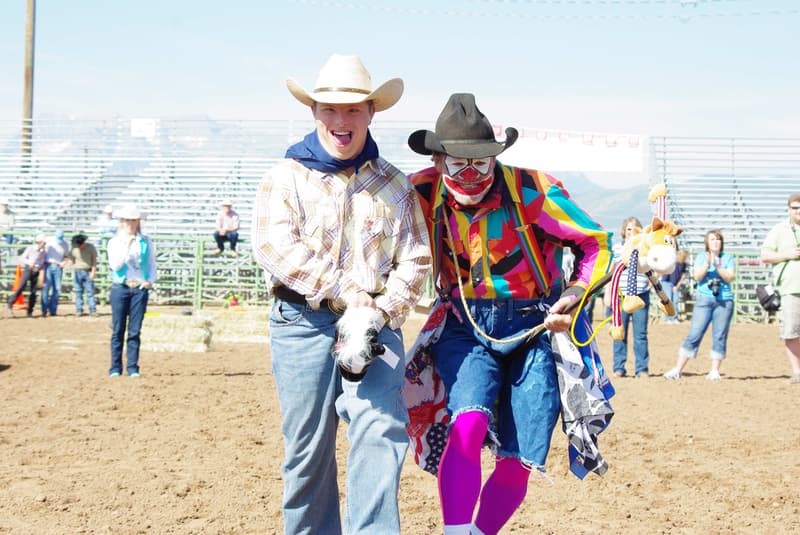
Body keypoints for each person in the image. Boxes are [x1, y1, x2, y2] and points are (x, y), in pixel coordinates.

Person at [407, 93, 612, 535]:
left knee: (519, 456)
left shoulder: (534, 190)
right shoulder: (420, 191)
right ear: (439, 160)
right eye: (457, 163)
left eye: (480, 162)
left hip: (536, 325)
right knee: (469, 422)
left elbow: (596, 242)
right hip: (464, 324)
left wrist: (576, 291)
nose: (470, 174)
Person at [250, 54, 431, 535]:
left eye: (352, 110)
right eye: (330, 108)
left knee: (380, 430)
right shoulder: (284, 176)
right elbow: (273, 245)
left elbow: (414, 258)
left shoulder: (396, 185)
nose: (341, 120)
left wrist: (382, 310)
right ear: (314, 112)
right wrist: (348, 293)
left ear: (372, 113)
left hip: (376, 325)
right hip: (300, 322)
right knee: (307, 449)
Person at [664, 229, 736, 381]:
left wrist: (718, 267)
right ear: (707, 243)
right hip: (704, 299)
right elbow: (697, 276)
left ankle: (715, 370)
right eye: (712, 240)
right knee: (694, 333)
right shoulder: (701, 257)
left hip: (724, 300)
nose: (715, 242)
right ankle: (678, 369)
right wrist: (708, 264)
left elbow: (730, 277)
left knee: (720, 335)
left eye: (718, 239)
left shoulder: (727, 258)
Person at [107, 204, 157, 377]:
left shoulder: (146, 241)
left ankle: (133, 367)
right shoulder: (114, 242)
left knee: (135, 331)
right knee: (118, 329)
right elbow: (115, 265)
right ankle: (115, 367)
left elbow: (151, 264)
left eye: (133, 220)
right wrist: (126, 247)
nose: (130, 223)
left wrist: (150, 280)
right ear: (122, 221)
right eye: (127, 220)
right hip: (120, 287)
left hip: (139, 288)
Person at [603, 217, 652, 378]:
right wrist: (608, 294)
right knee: (619, 332)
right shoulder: (618, 249)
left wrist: (652, 282)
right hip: (621, 295)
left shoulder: (645, 249)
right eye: (629, 229)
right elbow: (611, 272)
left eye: (635, 228)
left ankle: (642, 368)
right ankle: (619, 367)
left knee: (641, 334)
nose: (631, 232)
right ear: (624, 231)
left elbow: (654, 266)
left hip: (641, 295)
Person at [760, 193, 800, 384]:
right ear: (788, 209)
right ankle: (797, 371)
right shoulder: (779, 230)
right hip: (790, 288)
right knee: (791, 330)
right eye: (795, 208)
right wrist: (787, 254)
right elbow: (765, 256)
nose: (798, 211)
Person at [6, 234, 46, 317]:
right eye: (43, 242)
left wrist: (39, 267)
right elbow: (22, 258)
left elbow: (42, 261)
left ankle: (30, 310)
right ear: (40, 242)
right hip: (28, 269)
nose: (44, 244)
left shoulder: (43, 251)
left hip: (36, 270)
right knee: (21, 286)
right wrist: (30, 263)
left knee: (33, 292)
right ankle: (10, 302)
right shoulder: (31, 248)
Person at [68, 232, 98, 316]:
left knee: (90, 292)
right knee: (78, 292)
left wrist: (93, 272)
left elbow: (94, 261)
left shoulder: (90, 247)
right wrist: (69, 264)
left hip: (88, 271)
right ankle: (79, 309)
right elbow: (71, 258)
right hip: (78, 271)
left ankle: (92, 310)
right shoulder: (74, 249)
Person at [41, 229, 69, 317]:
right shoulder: (49, 240)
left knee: (57, 289)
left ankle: (52, 309)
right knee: (46, 288)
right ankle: (44, 309)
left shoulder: (65, 244)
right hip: (48, 265)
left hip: (58, 266)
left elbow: (66, 256)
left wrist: (64, 262)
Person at [660, 249, 688, 323]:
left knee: (675, 301)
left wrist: (677, 286)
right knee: (669, 300)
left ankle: (674, 318)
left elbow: (683, 276)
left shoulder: (684, 264)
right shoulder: (672, 262)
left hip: (675, 284)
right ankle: (668, 318)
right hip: (667, 282)